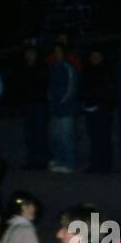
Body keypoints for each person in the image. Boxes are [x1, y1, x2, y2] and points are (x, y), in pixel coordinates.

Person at [80, 49, 115, 173]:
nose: (94, 58)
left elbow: (108, 91)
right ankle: (95, 164)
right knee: (94, 138)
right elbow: (83, 89)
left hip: (103, 109)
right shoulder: (87, 71)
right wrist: (85, 103)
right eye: (92, 56)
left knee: (103, 138)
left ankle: (105, 166)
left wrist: (98, 103)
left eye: (97, 55)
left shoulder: (107, 70)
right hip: (90, 109)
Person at [47, 44, 80, 173]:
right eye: (55, 52)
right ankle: (59, 160)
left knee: (67, 136)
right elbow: (50, 87)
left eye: (59, 52)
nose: (57, 54)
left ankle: (69, 163)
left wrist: (61, 102)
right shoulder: (53, 67)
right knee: (57, 136)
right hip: (55, 108)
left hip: (66, 108)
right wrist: (51, 100)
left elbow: (71, 88)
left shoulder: (69, 68)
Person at [16, 45, 50, 170]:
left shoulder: (41, 67)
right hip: (27, 105)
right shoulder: (23, 68)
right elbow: (19, 87)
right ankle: (31, 161)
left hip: (39, 105)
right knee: (29, 135)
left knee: (40, 134)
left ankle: (42, 161)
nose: (29, 56)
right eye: (27, 53)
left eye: (31, 53)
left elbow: (43, 85)